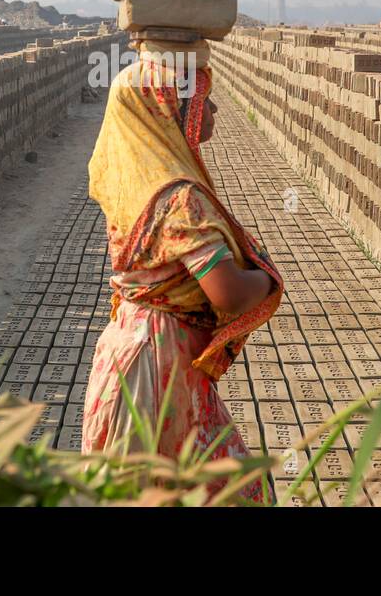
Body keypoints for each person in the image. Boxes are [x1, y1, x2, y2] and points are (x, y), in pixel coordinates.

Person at [81, 42, 282, 503]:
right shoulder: (178, 198)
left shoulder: (135, 185)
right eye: (199, 98)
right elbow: (227, 293)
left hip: (129, 351)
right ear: (168, 109)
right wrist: (267, 278)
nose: (211, 108)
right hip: (159, 368)